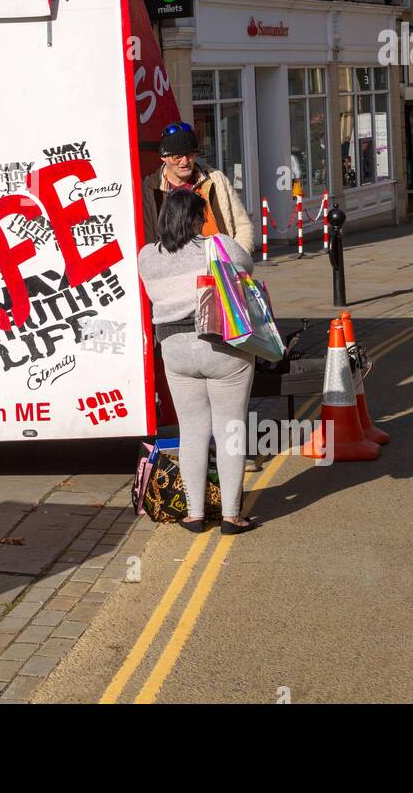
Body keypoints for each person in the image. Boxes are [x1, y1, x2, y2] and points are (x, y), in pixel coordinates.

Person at [138, 188, 257, 535]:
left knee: (191, 430)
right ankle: (232, 516)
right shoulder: (216, 245)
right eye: (202, 217)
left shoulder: (147, 256)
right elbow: (246, 265)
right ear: (195, 220)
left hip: (174, 349)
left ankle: (194, 514)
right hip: (219, 346)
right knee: (229, 429)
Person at [141, 122, 254, 253]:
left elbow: (243, 226)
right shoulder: (150, 190)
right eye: (177, 157)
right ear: (163, 157)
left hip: (220, 266)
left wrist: (236, 259)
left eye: (190, 155)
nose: (184, 161)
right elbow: (148, 243)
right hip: (176, 270)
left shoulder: (216, 179)